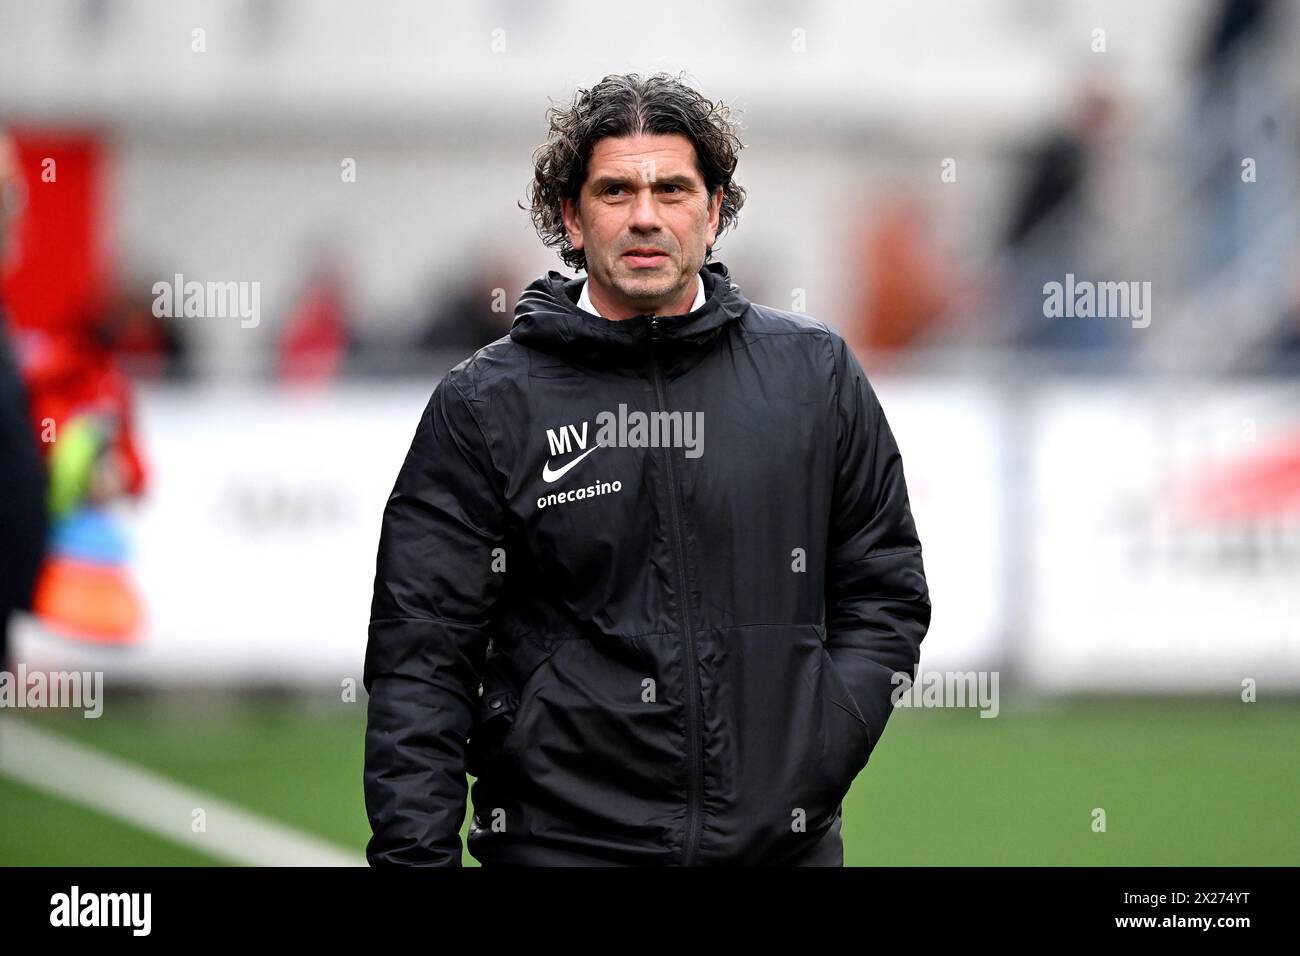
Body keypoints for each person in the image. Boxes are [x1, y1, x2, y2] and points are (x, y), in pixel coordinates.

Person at [363, 72, 931, 867]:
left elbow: (884, 588)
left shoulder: (813, 373)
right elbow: (421, 658)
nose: (644, 216)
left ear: (715, 208)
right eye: (615, 190)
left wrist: (817, 747)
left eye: (672, 188)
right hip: (561, 850)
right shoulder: (484, 405)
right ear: (569, 214)